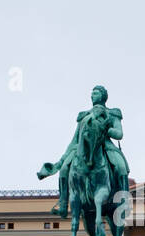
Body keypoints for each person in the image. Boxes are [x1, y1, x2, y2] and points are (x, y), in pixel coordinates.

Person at [37, 85, 129, 216]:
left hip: (105, 145)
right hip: (83, 147)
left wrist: (105, 129)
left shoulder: (112, 113)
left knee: (121, 167)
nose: (92, 96)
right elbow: (75, 139)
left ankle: (123, 200)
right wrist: (62, 159)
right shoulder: (84, 116)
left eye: (95, 93)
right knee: (63, 169)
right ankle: (63, 203)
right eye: (92, 94)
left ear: (102, 96)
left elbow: (119, 134)